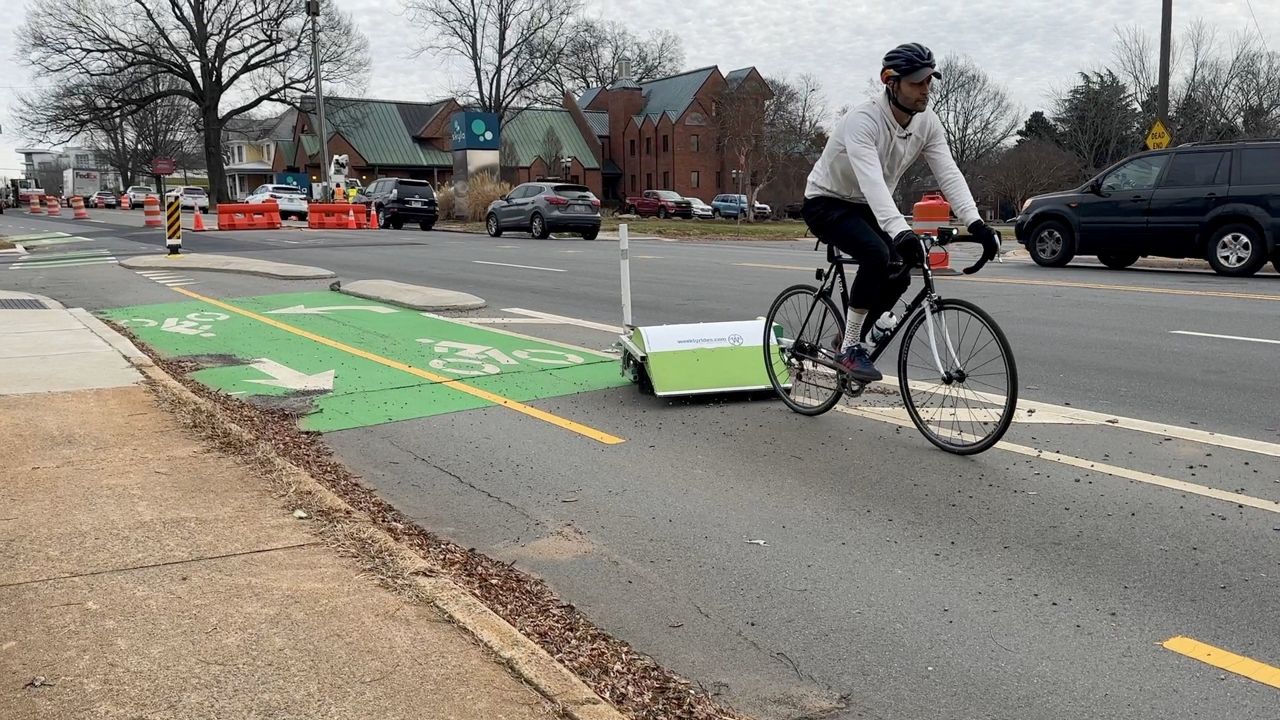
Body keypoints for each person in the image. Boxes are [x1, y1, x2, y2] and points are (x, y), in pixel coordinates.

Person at [802, 42, 999, 383]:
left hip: (866, 205)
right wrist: (901, 232)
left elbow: (948, 173)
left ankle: (852, 336)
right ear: (890, 82)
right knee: (877, 253)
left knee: (902, 271)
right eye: (917, 83)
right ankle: (850, 347)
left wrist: (976, 223)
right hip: (826, 201)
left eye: (929, 82)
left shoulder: (927, 123)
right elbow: (873, 181)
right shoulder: (862, 121)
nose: (926, 90)